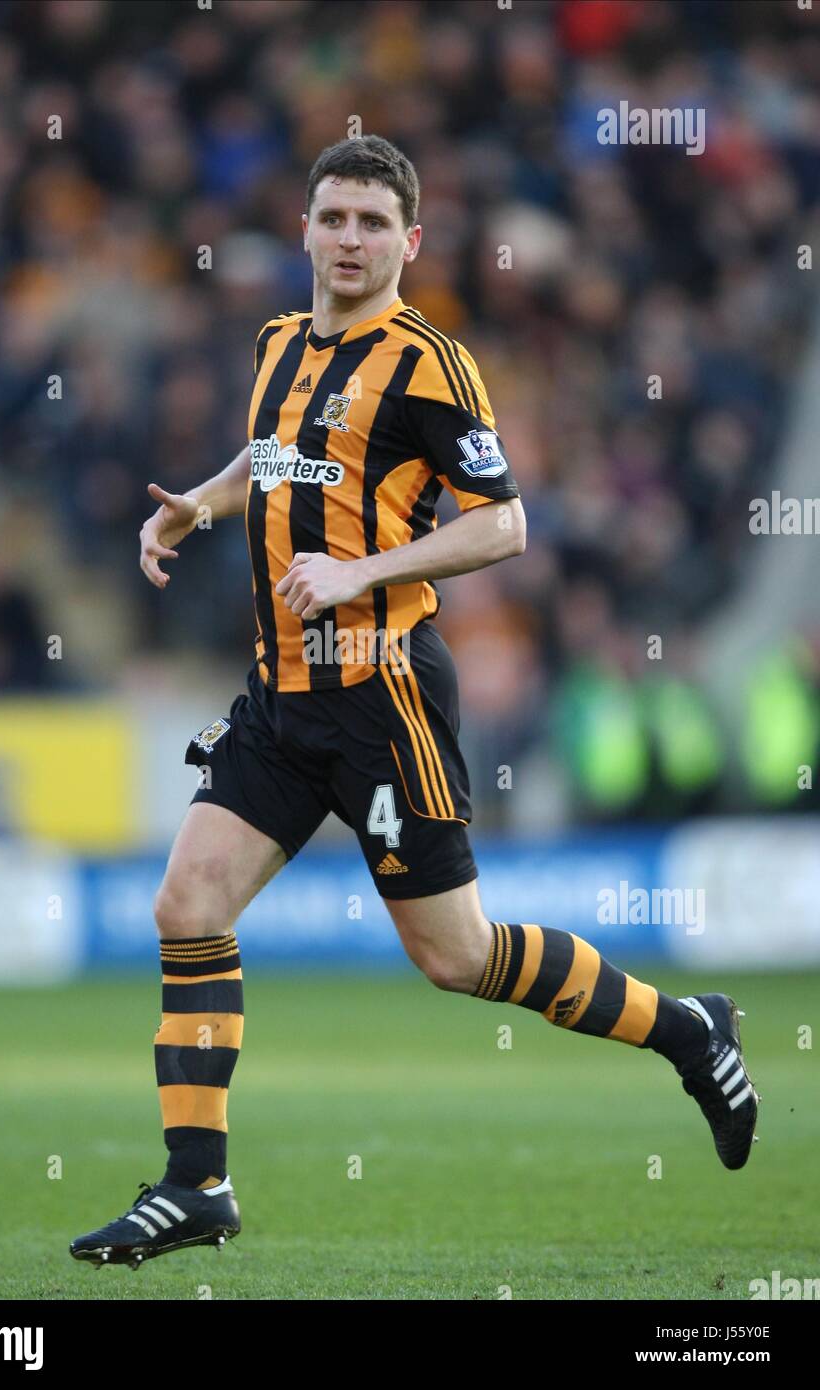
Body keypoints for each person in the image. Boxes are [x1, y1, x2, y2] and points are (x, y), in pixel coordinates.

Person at [70, 136, 758, 1270]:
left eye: (372, 224)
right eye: (333, 218)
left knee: (456, 955)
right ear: (303, 229)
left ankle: (688, 1029)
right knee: (187, 903)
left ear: (410, 242)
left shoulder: (432, 364)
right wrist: (194, 504)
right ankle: (197, 1185)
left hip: (382, 693)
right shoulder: (277, 343)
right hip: (280, 693)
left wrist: (361, 572)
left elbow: (505, 521)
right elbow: (271, 458)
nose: (349, 240)